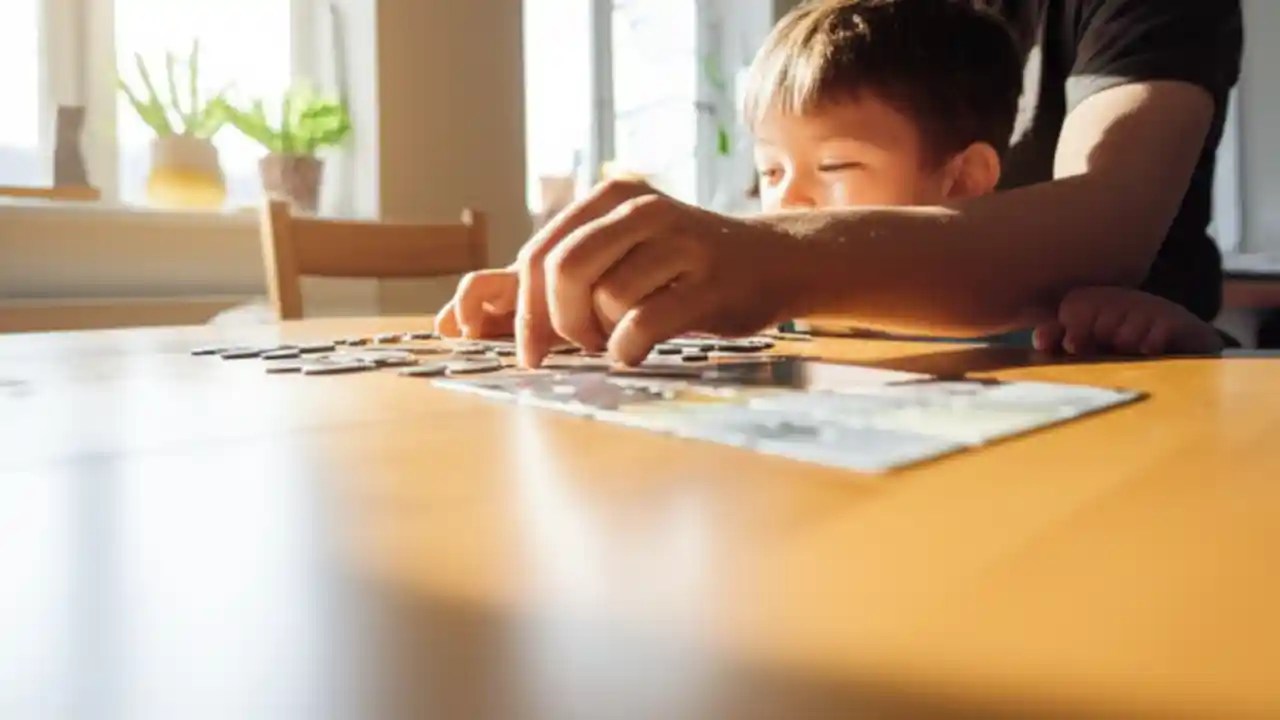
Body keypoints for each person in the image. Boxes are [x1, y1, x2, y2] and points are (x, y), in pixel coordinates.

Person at [438, 0, 1242, 368]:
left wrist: (761, 258)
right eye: (770, 174)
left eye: (833, 171)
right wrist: (617, 279)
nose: (786, 201)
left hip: (1134, 380)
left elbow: (1108, 226)